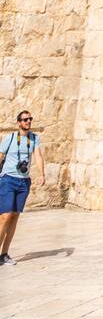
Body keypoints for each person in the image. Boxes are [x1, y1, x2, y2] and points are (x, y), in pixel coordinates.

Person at [0, 110, 45, 264]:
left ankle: (4, 254)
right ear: (19, 122)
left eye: (30, 119)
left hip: (23, 182)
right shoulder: (10, 138)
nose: (28, 122)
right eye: (25, 119)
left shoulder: (34, 139)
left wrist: (42, 173)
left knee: (14, 217)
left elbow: (38, 156)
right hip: (8, 179)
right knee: (5, 216)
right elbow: (0, 156)